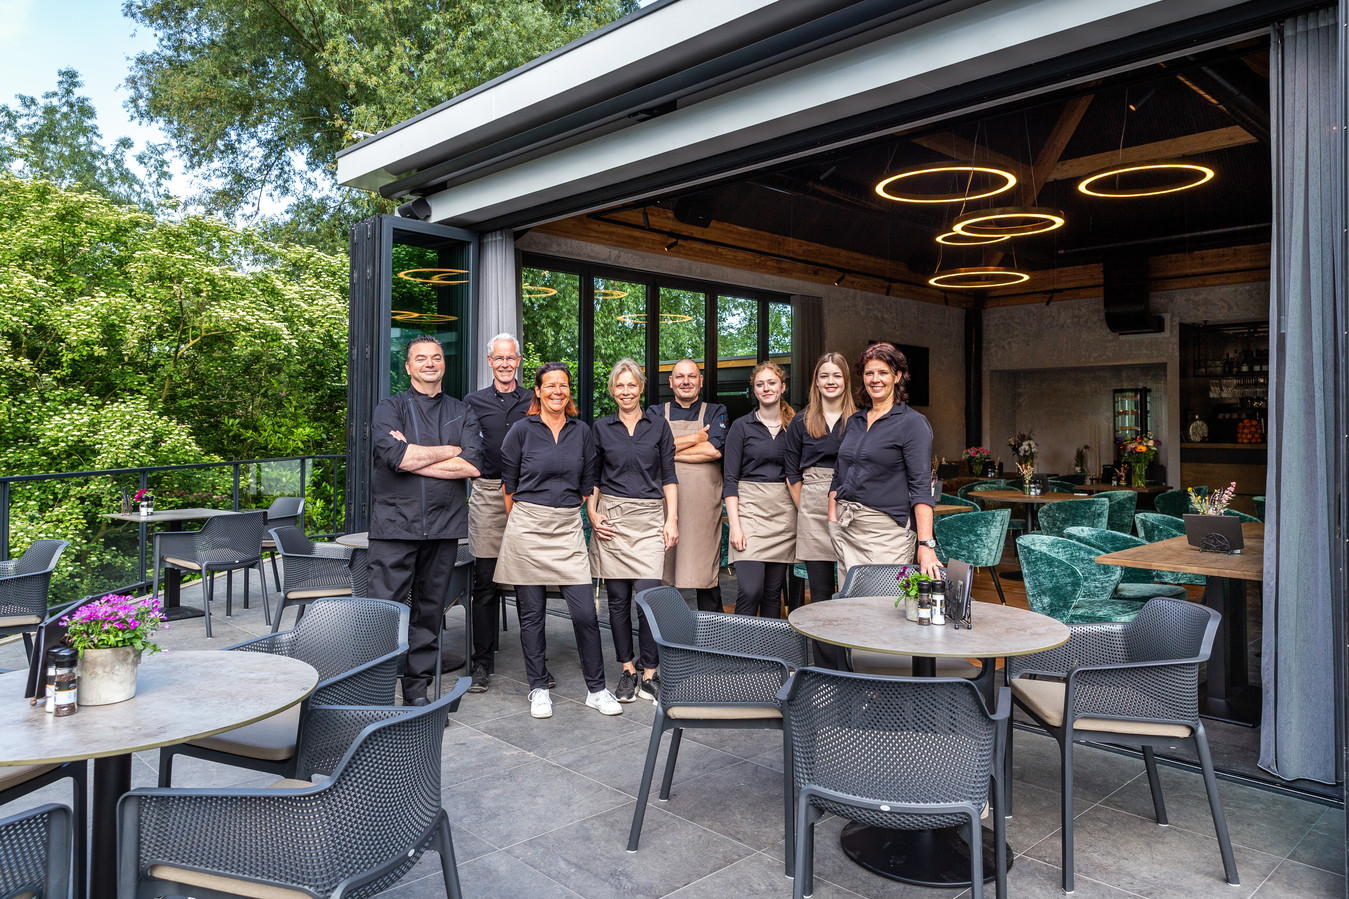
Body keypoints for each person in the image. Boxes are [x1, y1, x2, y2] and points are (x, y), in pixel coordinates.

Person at [495, 362, 622, 720]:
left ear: (569, 392)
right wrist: (525, 521)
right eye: (549, 385)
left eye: (563, 385)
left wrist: (573, 512)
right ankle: (538, 688)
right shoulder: (521, 430)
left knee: (584, 613)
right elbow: (508, 486)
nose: (557, 391)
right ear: (537, 391)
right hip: (527, 527)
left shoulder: (581, 432)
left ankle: (596, 690)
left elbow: (588, 483)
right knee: (532, 615)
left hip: (567, 527)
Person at [369, 335, 483, 706]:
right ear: (408, 367)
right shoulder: (389, 408)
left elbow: (472, 465)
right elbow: (395, 457)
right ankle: (376, 697)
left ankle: (417, 695)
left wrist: (413, 456)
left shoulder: (461, 411)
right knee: (383, 616)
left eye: (436, 357)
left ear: (443, 364)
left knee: (429, 616)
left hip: (443, 527)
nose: (429, 363)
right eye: (421, 358)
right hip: (393, 527)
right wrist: (448, 451)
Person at [587, 359, 678, 703]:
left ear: (641, 388)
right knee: (617, 602)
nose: (626, 391)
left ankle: (651, 672)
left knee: (648, 600)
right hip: (612, 519)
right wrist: (592, 512)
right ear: (613, 390)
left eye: (632, 385)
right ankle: (628, 670)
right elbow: (593, 477)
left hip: (650, 519)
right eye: (620, 386)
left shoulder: (659, 426)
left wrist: (671, 519)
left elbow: (669, 475)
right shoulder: (600, 428)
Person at [829, 342, 939, 582]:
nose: (875, 379)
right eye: (869, 373)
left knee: (882, 602)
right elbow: (839, 473)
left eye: (883, 372)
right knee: (848, 602)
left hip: (887, 534)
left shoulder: (913, 424)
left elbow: (921, 488)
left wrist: (926, 544)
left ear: (897, 376)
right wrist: (832, 519)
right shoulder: (855, 421)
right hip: (847, 529)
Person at [463, 333, 533, 693]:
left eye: (511, 358)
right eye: (499, 358)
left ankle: (535, 664)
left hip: (527, 496)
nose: (505, 364)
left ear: (518, 361)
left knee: (527, 583)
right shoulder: (472, 402)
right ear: (489, 361)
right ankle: (482, 663)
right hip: (489, 493)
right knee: (485, 582)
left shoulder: (534, 400)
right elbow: (463, 444)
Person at [784, 352, 855, 668]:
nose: (830, 381)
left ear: (846, 380)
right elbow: (791, 472)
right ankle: (828, 669)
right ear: (816, 381)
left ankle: (854, 665)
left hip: (852, 507)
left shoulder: (860, 420)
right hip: (812, 505)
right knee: (822, 594)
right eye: (824, 375)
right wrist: (808, 510)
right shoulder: (801, 421)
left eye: (836, 375)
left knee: (853, 590)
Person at [723, 361, 797, 618]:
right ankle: (739, 644)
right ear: (754, 390)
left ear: (783, 387)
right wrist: (735, 526)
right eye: (760, 384)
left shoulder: (795, 427)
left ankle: (767, 645)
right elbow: (730, 480)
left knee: (772, 593)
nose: (766, 388)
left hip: (783, 516)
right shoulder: (741, 427)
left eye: (772, 383)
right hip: (750, 514)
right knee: (750, 589)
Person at [653, 359, 728, 611]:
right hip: (664, 506)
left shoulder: (716, 411)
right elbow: (650, 448)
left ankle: (713, 632)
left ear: (701, 381)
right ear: (671, 382)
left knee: (705, 573)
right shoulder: (655, 412)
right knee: (662, 572)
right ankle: (664, 631)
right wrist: (696, 437)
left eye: (692, 376)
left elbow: (713, 450)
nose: (686, 382)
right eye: (680, 377)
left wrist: (667, 451)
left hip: (703, 508)